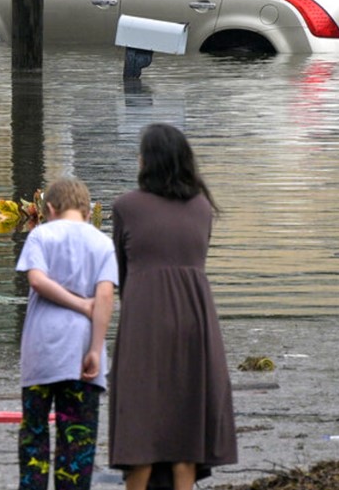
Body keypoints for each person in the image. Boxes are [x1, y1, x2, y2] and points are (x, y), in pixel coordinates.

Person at [108, 123, 238, 490]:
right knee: (186, 429)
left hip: (144, 317)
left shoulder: (126, 206)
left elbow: (121, 270)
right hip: (196, 317)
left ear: (149, 161)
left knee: (140, 425)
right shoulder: (202, 207)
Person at [14, 177, 118, 490]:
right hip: (83, 350)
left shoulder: (40, 235)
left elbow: (36, 280)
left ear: (49, 209)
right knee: (78, 439)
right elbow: (105, 298)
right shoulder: (102, 243)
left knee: (34, 435)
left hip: (40, 353)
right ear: (88, 213)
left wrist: (76, 303)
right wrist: (95, 350)